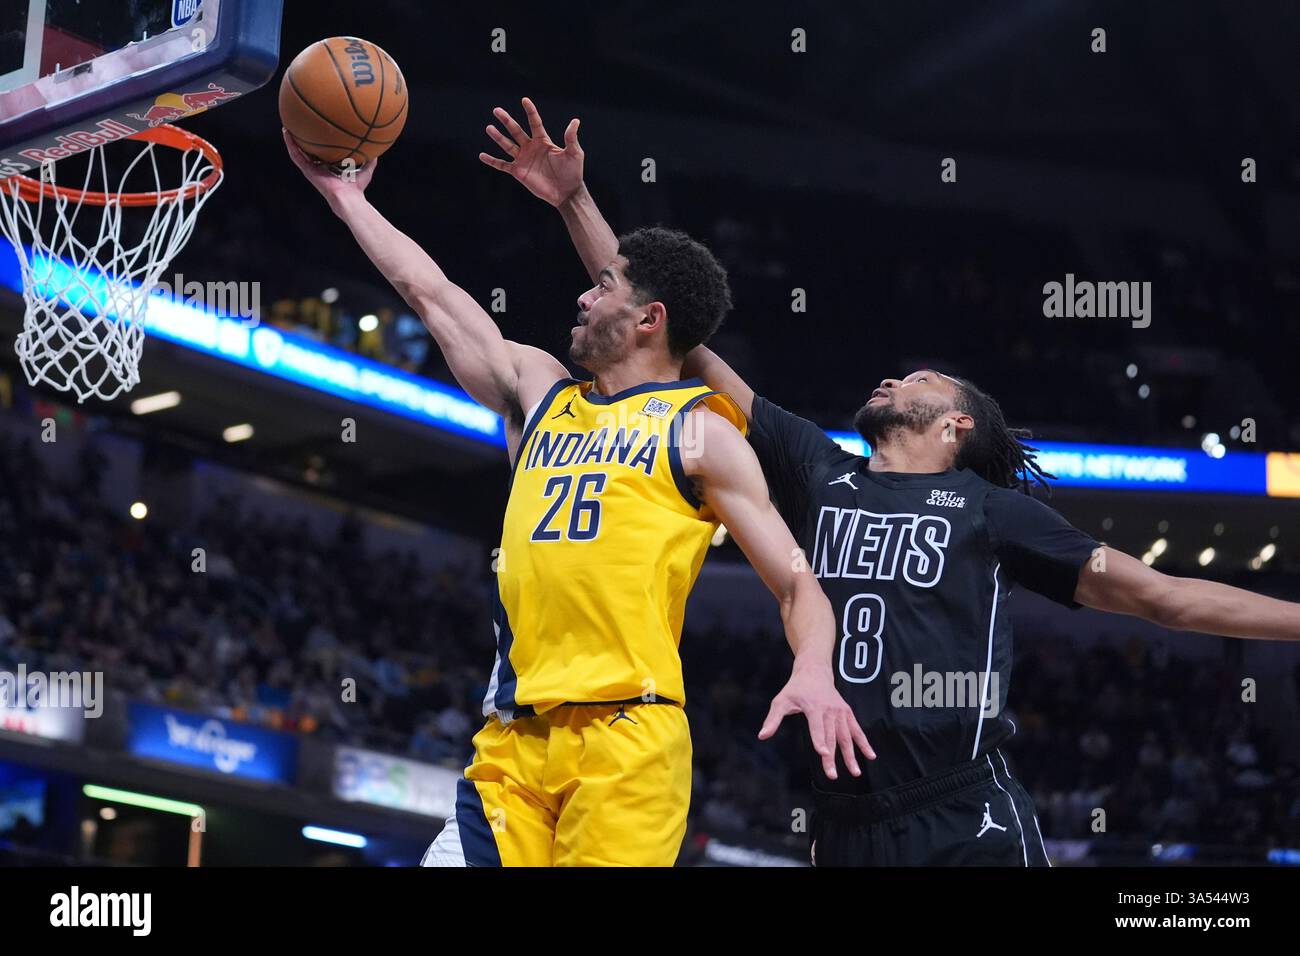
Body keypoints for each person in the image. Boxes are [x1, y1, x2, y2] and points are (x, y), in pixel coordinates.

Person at [484, 99, 1300, 866]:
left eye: (917, 379)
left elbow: (1167, 598)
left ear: (958, 425)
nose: (891, 379)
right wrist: (573, 201)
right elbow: (668, 336)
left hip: (962, 809)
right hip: (846, 824)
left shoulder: (996, 513)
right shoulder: (815, 469)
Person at [284, 125, 872, 867]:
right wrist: (345, 199)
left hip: (627, 746)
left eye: (604, 287)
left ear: (648, 320)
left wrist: (814, 671)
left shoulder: (699, 433)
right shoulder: (537, 389)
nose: (583, 294)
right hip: (512, 743)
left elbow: (795, 582)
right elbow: (428, 292)